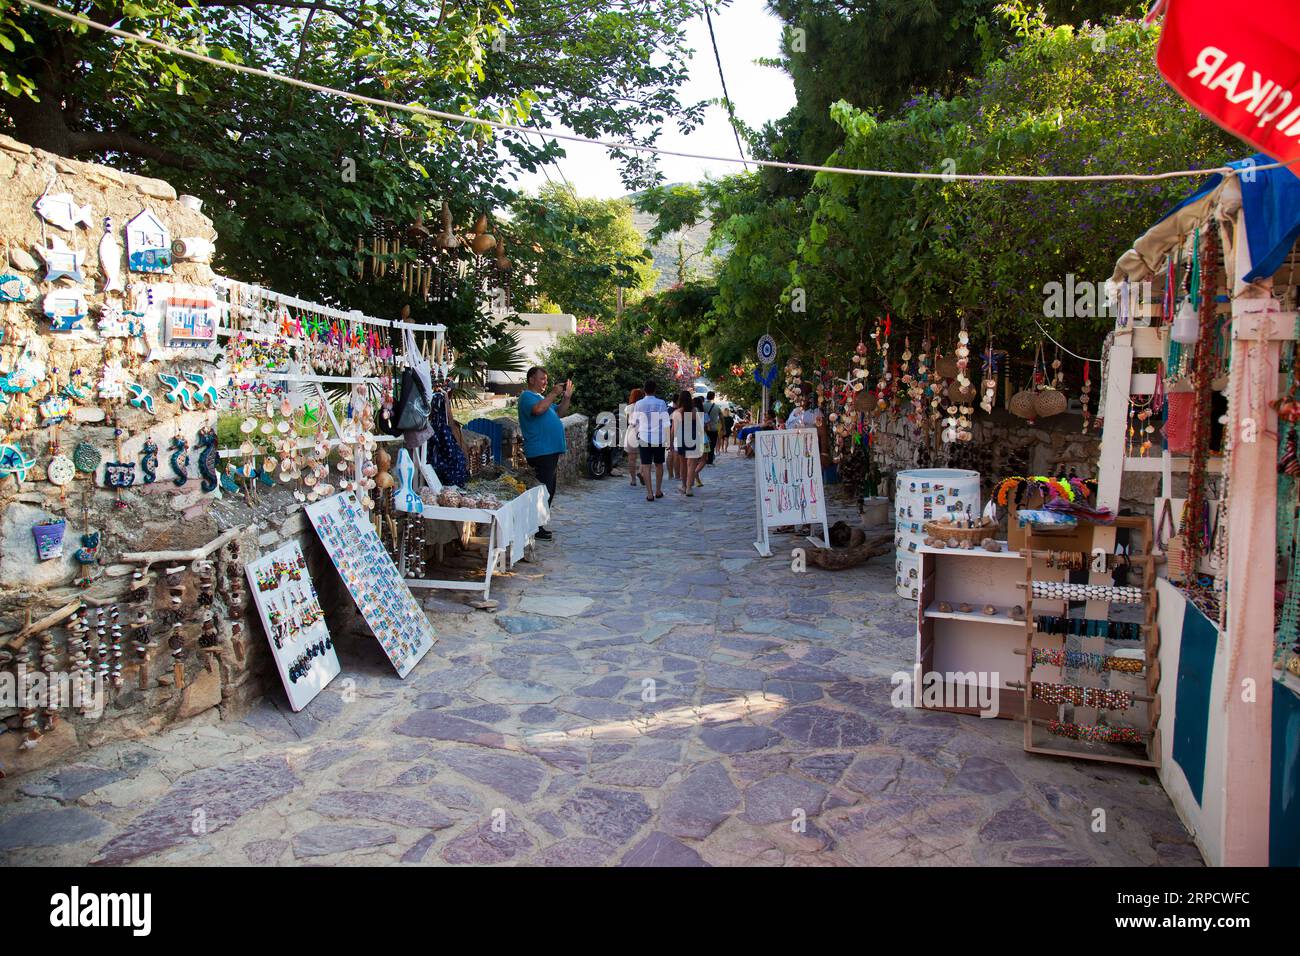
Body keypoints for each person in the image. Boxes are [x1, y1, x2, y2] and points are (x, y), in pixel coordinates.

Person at [517, 366, 572, 540]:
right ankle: (535, 526)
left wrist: (566, 397)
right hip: (540, 450)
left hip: (549, 450)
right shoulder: (527, 397)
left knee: (549, 488)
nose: (545, 382)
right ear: (531, 379)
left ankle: (538, 524)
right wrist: (554, 393)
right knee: (543, 489)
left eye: (546, 380)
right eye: (542, 379)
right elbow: (538, 410)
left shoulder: (541, 398)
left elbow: (560, 413)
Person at [632, 379, 670, 501]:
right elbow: (666, 423)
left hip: (643, 437)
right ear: (655, 390)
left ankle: (649, 493)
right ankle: (658, 490)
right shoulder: (661, 403)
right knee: (659, 465)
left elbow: (633, 422)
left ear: (644, 390)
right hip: (658, 438)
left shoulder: (638, 404)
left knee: (646, 465)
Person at [672, 390, 706, 495]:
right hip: (694, 438)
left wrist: (670, 442)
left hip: (681, 439)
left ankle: (683, 485)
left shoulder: (676, 413)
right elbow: (700, 428)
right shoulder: (694, 411)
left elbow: (673, 429)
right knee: (692, 464)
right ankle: (689, 488)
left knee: (683, 464)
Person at [623, 387, 645, 487]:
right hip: (643, 431)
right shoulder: (644, 407)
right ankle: (640, 471)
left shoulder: (629, 408)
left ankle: (633, 480)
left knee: (631, 459)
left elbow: (628, 420)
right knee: (645, 457)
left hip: (632, 431)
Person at [701, 390, 722, 465]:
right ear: (713, 397)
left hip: (704, 428)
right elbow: (721, 416)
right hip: (713, 428)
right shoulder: (716, 407)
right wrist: (723, 427)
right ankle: (710, 460)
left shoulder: (702, 405)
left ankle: (703, 459)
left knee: (704, 444)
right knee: (712, 444)